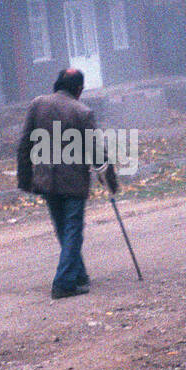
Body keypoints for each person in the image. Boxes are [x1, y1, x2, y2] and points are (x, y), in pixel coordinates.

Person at [16, 68, 115, 298]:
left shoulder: (37, 104)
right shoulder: (82, 111)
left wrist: (25, 179)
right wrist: (109, 179)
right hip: (73, 181)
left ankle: (78, 275)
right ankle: (63, 283)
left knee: (63, 229)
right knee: (72, 230)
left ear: (57, 84)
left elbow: (24, 144)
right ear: (79, 90)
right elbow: (96, 150)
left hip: (46, 179)